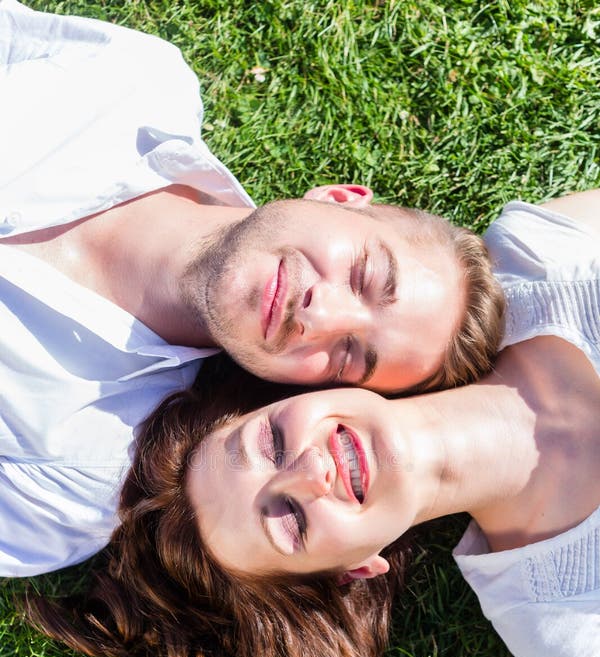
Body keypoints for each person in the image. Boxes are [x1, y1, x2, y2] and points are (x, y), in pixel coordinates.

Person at [25, 192, 600, 657]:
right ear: (355, 568)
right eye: (292, 520)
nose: (308, 473)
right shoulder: (559, 617)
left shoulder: (539, 259)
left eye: (271, 441)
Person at [0, 0, 504, 576]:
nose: (322, 314)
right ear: (339, 198)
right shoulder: (134, 84)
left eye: (346, 355)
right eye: (365, 275)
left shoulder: (75, 473)